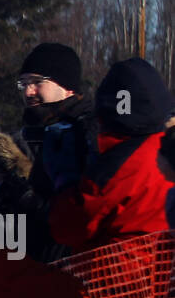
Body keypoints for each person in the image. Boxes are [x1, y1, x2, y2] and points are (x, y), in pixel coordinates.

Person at [50, 57, 175, 253]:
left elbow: (67, 227)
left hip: (119, 277)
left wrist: (64, 184)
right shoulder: (166, 148)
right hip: (163, 273)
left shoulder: (119, 165)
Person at [0, 42, 94, 261]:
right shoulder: (23, 137)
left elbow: (85, 211)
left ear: (67, 87)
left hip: (75, 267)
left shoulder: (86, 133)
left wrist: (33, 202)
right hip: (25, 268)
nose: (29, 92)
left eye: (37, 82)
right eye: (24, 84)